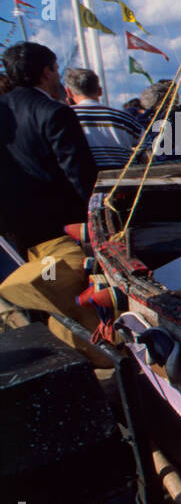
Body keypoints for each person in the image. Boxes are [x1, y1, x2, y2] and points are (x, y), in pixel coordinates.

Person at [0, 42, 105, 361]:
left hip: (16, 234)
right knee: (77, 304)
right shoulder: (55, 112)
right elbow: (81, 177)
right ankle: (96, 360)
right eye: (56, 69)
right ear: (47, 71)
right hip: (63, 230)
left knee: (39, 302)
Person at [64, 68, 144, 171]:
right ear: (100, 91)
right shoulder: (124, 118)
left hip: (83, 181)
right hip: (123, 180)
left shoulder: (64, 118)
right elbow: (148, 144)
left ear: (69, 92)